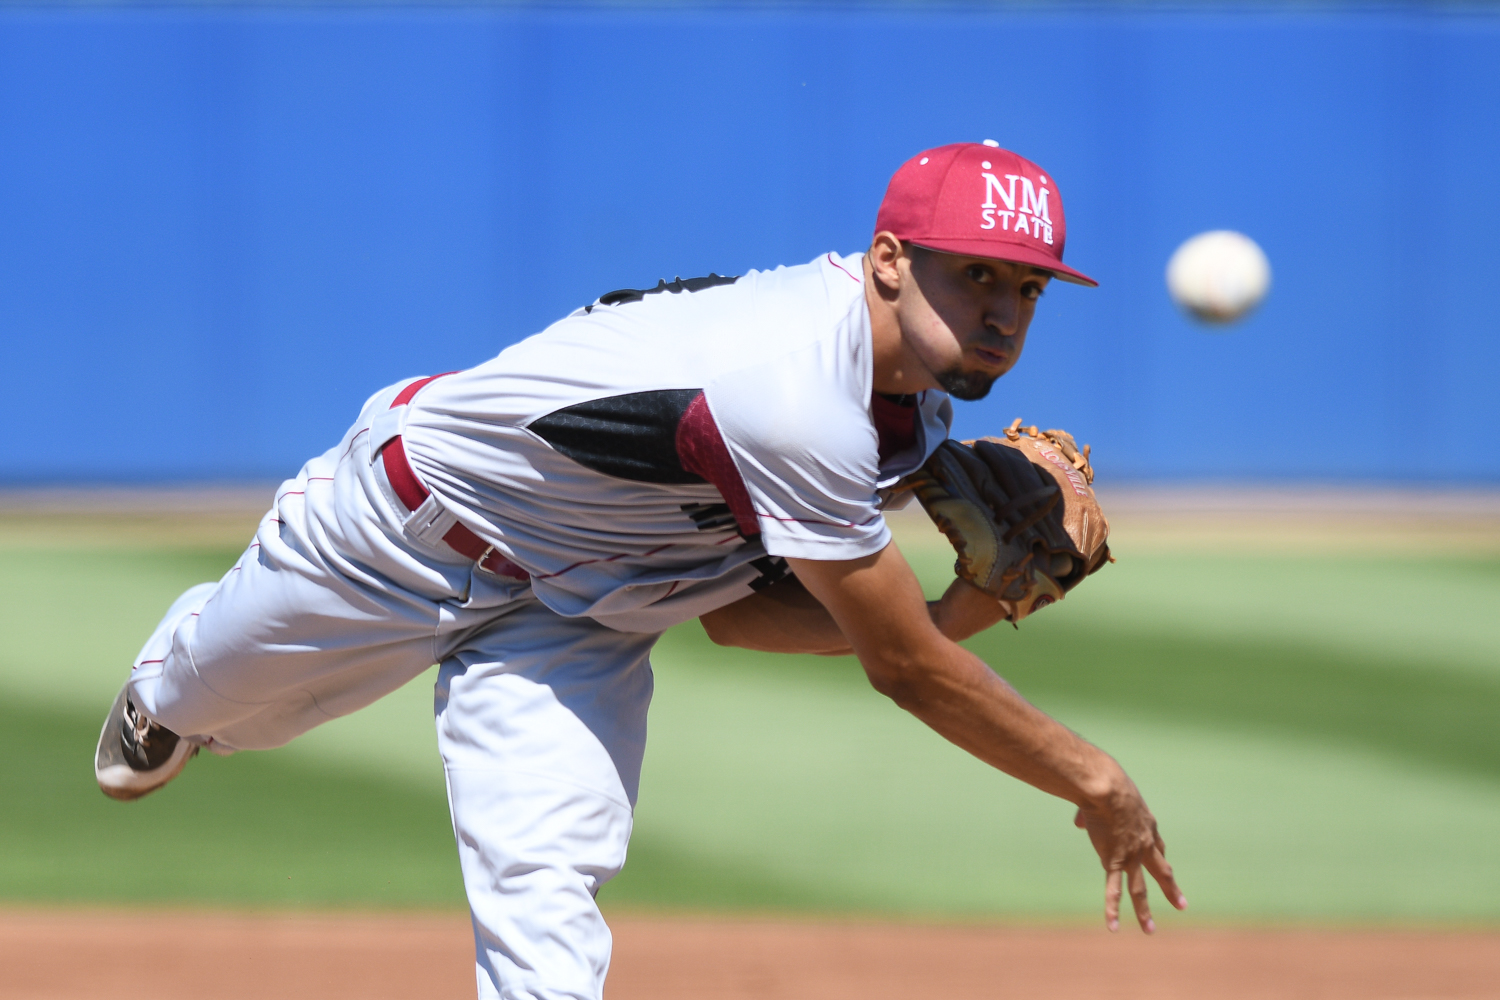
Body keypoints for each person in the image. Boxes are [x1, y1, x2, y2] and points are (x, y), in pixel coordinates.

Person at [95, 141, 1185, 998]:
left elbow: (747, 619)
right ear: (890, 261)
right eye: (977, 275)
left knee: (547, 898)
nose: (1001, 310)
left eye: (1028, 289)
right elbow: (900, 668)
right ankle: (167, 687)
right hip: (401, 529)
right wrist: (1093, 777)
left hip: (587, 615)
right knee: (200, 701)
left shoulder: (911, 419)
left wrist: (975, 600)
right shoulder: (799, 394)